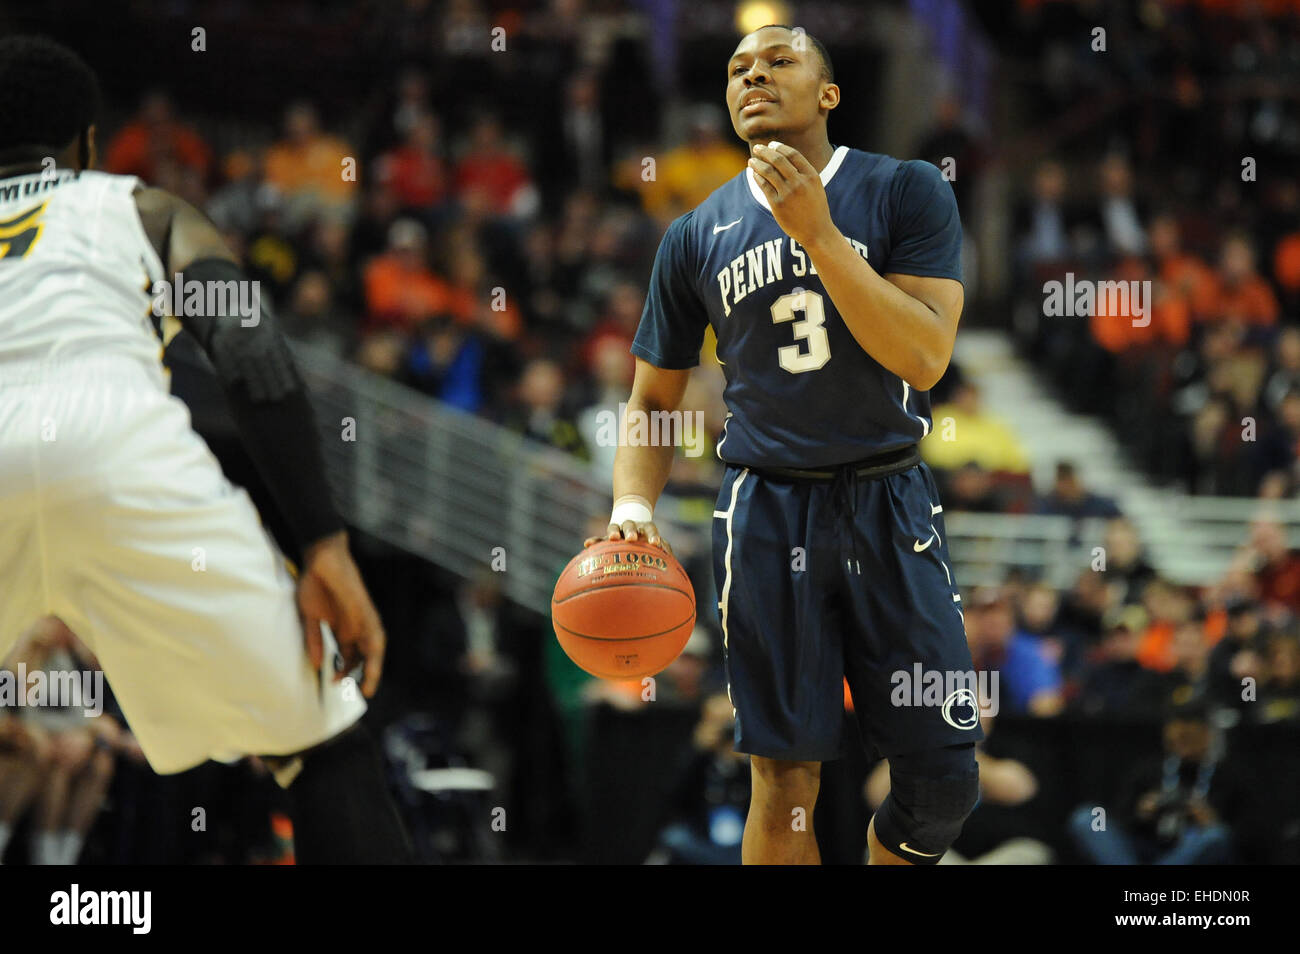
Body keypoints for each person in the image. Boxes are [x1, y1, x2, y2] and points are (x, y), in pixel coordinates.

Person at [0, 36, 410, 863]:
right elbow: (252, 354)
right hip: (118, 446)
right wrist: (323, 545)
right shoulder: (141, 208)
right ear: (87, 143)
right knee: (322, 742)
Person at [586, 24, 977, 865]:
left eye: (778, 61)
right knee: (785, 779)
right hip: (768, 508)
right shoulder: (693, 234)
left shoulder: (906, 190)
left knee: (942, 781)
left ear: (829, 94)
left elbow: (924, 354)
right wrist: (631, 506)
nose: (752, 75)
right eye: (735, 68)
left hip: (890, 498)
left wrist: (820, 237)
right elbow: (653, 397)